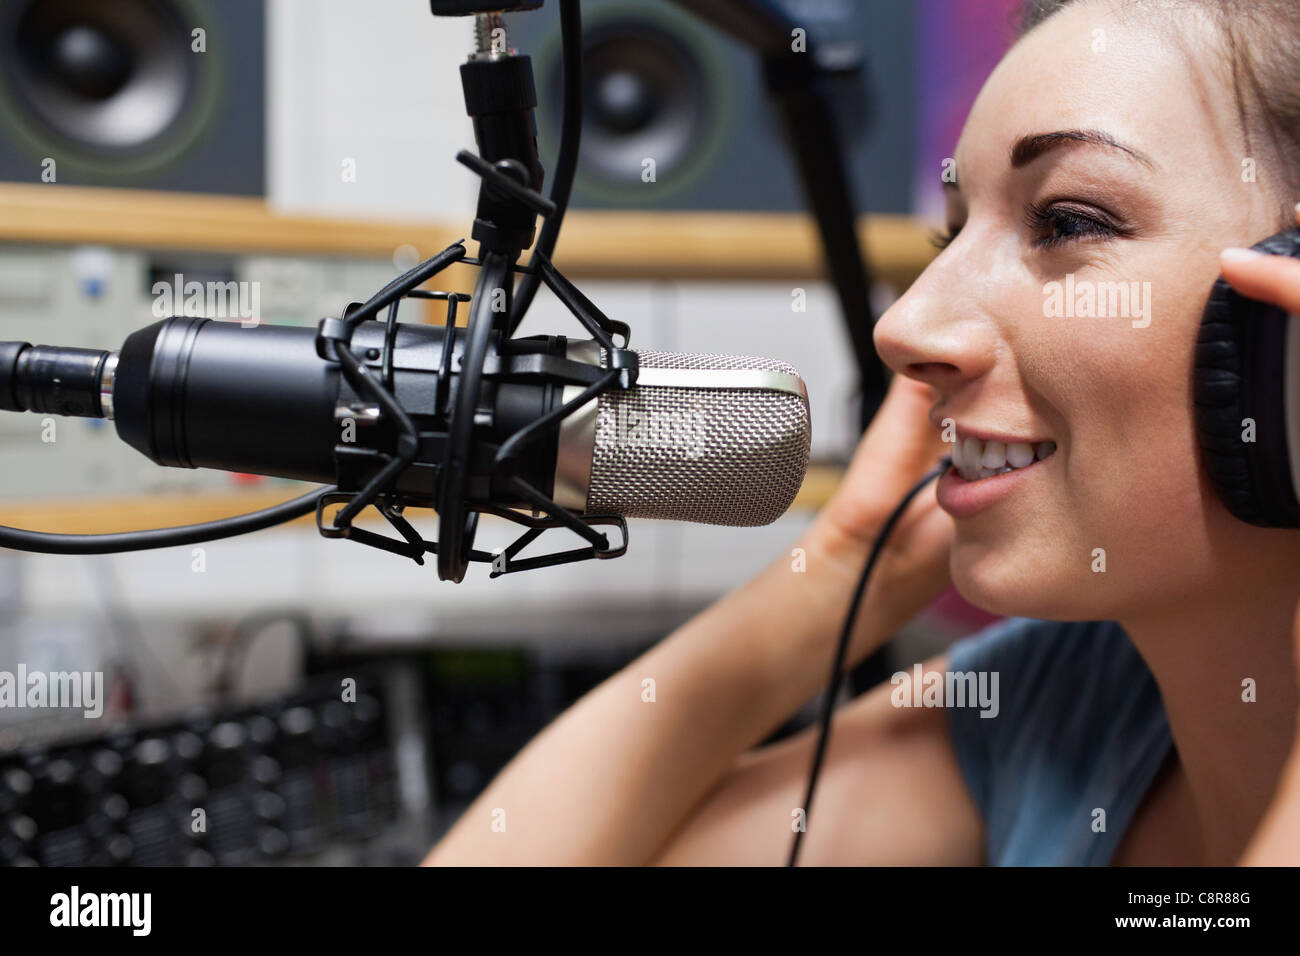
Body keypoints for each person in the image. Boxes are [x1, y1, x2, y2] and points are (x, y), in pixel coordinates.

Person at [424, 0, 1300, 865]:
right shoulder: (1054, 713)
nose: (907, 325)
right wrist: (848, 562)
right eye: (950, 235)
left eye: (1066, 221)